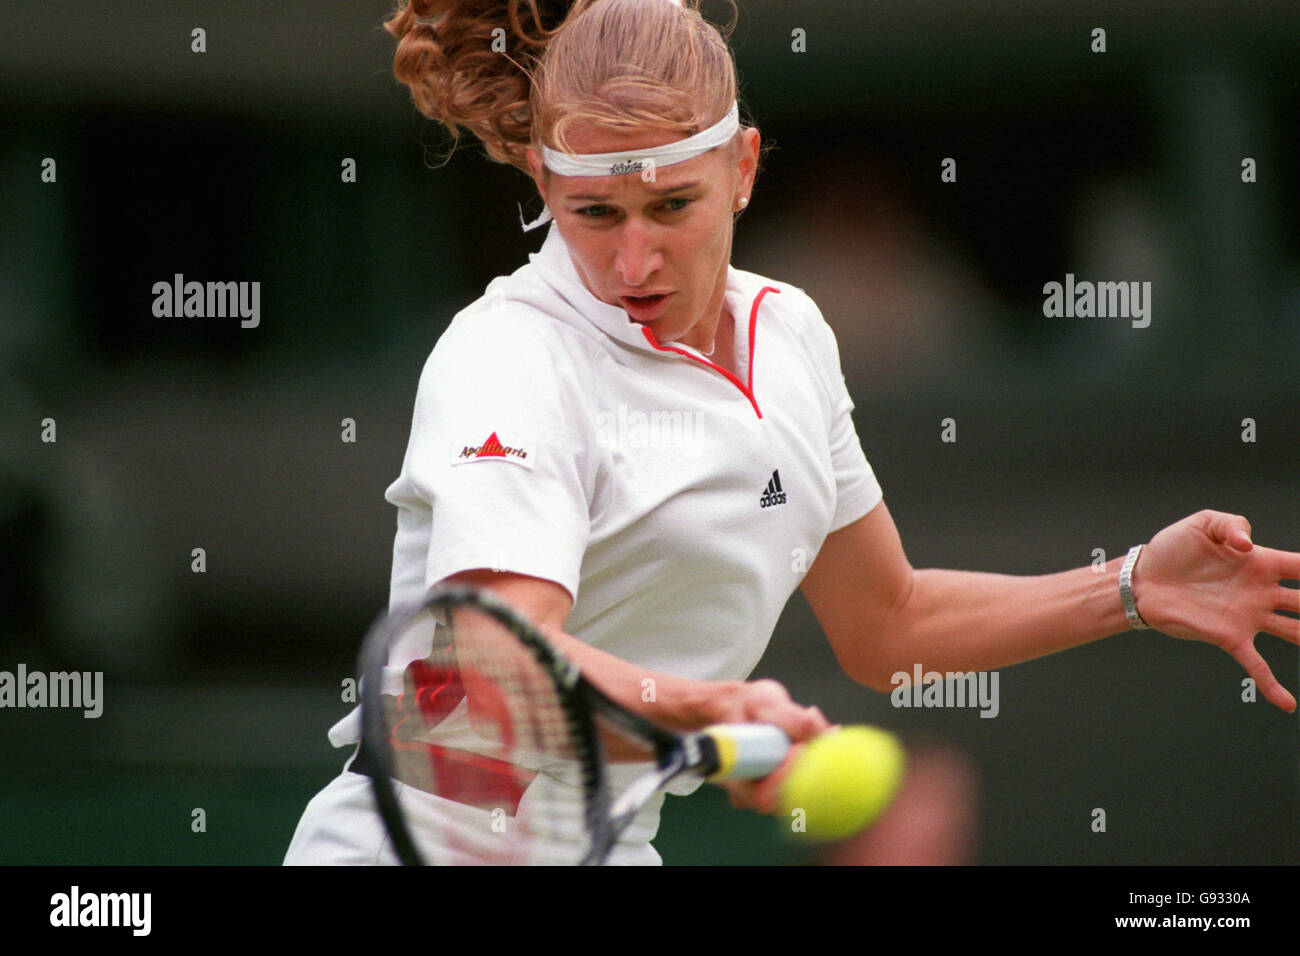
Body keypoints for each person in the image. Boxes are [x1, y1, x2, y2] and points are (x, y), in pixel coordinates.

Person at [284, 0, 1298, 865]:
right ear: (546, 190)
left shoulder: (793, 333)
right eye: (594, 213)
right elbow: (499, 657)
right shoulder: (509, 354)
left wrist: (1131, 586)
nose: (633, 260)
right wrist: (703, 706)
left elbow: (888, 621)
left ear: (742, 168)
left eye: (671, 205)